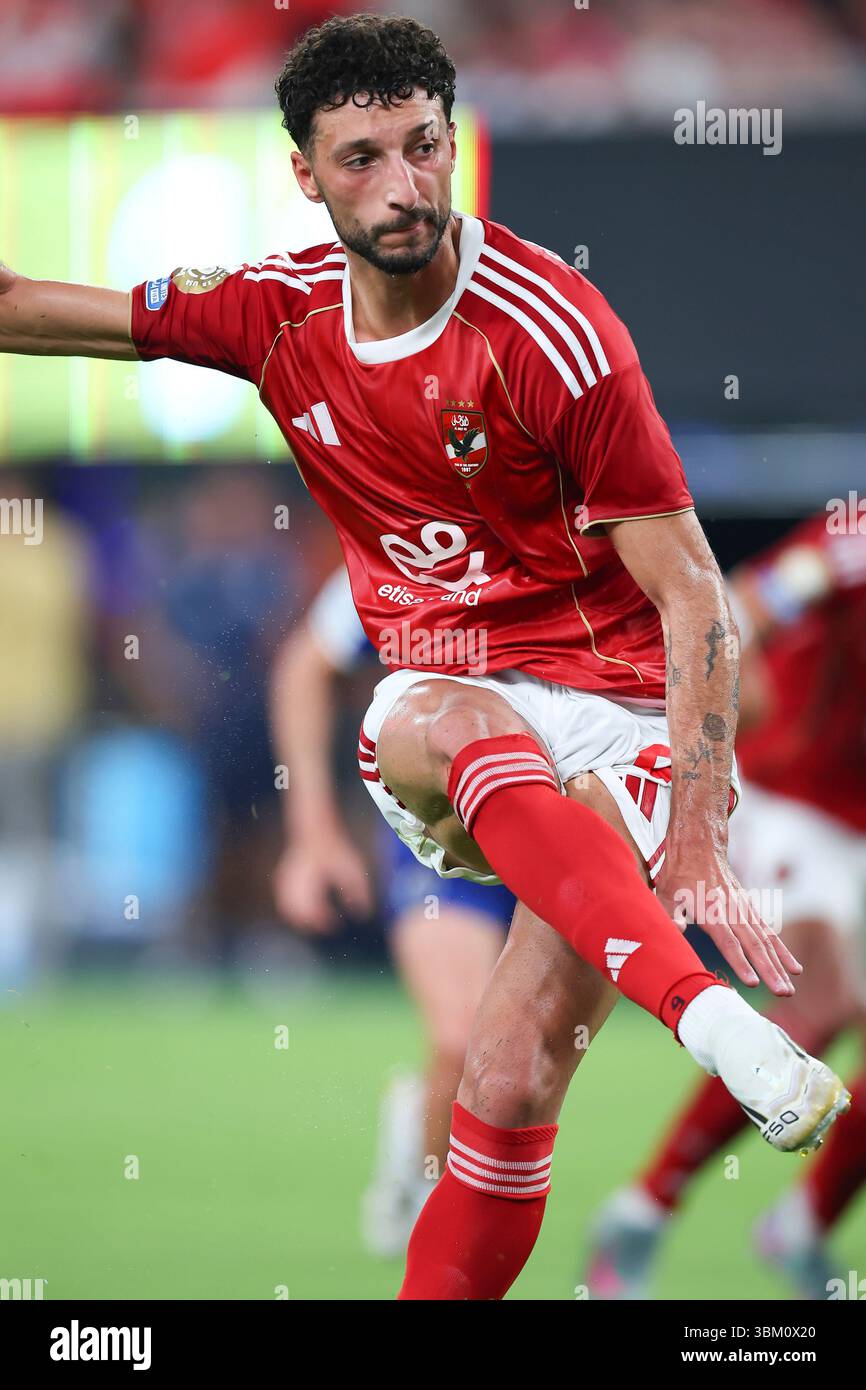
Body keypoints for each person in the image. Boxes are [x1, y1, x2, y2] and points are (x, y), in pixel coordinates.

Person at [0, 12, 849, 1301]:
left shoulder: (551, 329)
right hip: (452, 707)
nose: (402, 188)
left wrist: (692, 818)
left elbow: (692, 594)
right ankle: (714, 1020)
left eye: (422, 148)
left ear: (452, 142)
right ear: (303, 173)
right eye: (361, 159)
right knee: (433, 706)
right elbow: (28, 309)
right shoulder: (274, 318)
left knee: (503, 1082)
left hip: (615, 717)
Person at [585, 515, 866, 1299]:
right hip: (793, 803)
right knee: (815, 1006)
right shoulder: (856, 543)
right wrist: (754, 692)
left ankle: (802, 1225)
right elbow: (740, 607)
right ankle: (644, 1209)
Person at [270, 563, 516, 1254]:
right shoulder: (406, 541)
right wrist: (313, 832)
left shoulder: (584, 532)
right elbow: (304, 667)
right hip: (438, 833)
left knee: (520, 1071)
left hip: (559, 823)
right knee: (464, 1039)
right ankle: (422, 1180)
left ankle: (427, 1138)